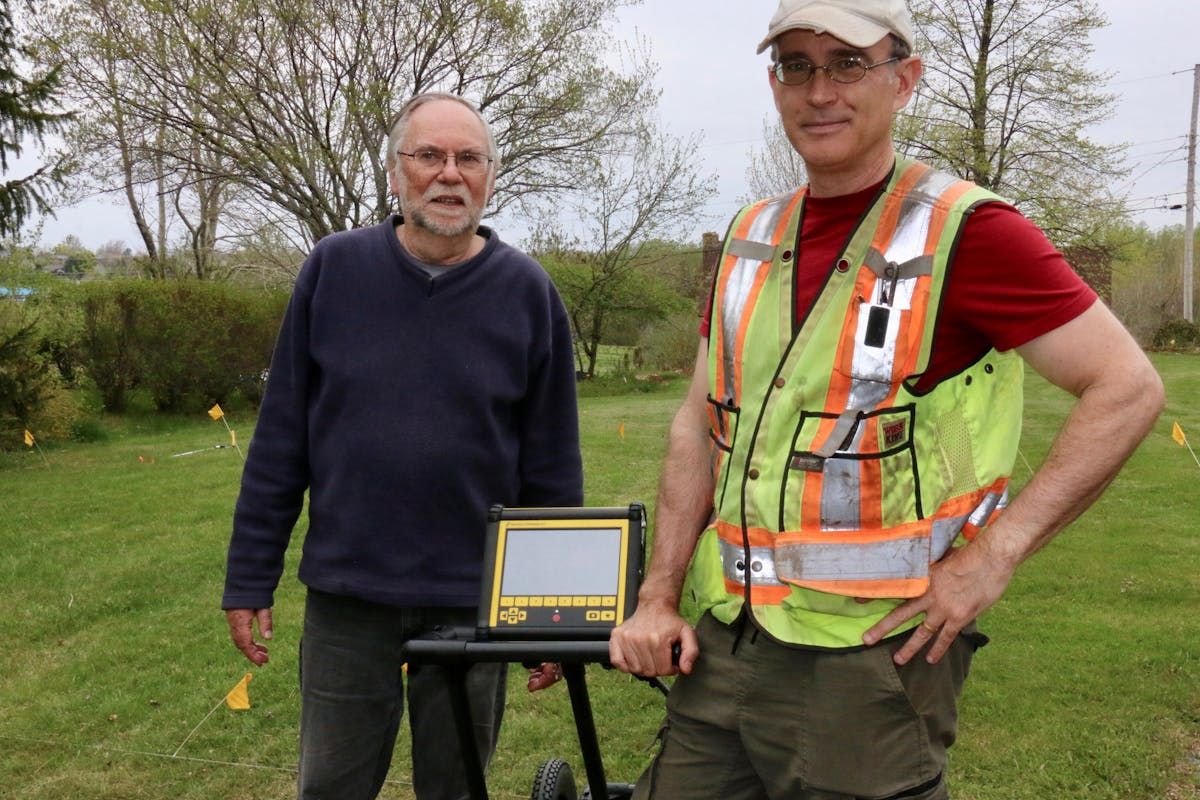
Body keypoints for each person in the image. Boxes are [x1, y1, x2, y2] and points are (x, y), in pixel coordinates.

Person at [609, 1, 1164, 798]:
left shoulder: (969, 232)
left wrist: (991, 561)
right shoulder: (749, 236)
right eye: (797, 65)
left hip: (868, 667)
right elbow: (697, 429)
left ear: (905, 80)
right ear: (775, 86)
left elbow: (1127, 387)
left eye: (848, 63)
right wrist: (659, 595)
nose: (820, 90)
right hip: (722, 643)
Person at [221, 92, 583, 800]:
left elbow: (552, 468)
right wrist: (248, 577)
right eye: (429, 156)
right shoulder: (333, 271)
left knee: (456, 788)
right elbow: (280, 441)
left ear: (489, 177)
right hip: (349, 596)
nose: (449, 174)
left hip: (470, 599)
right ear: (395, 173)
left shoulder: (528, 293)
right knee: (331, 786)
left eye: (468, 158)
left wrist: (550, 613)